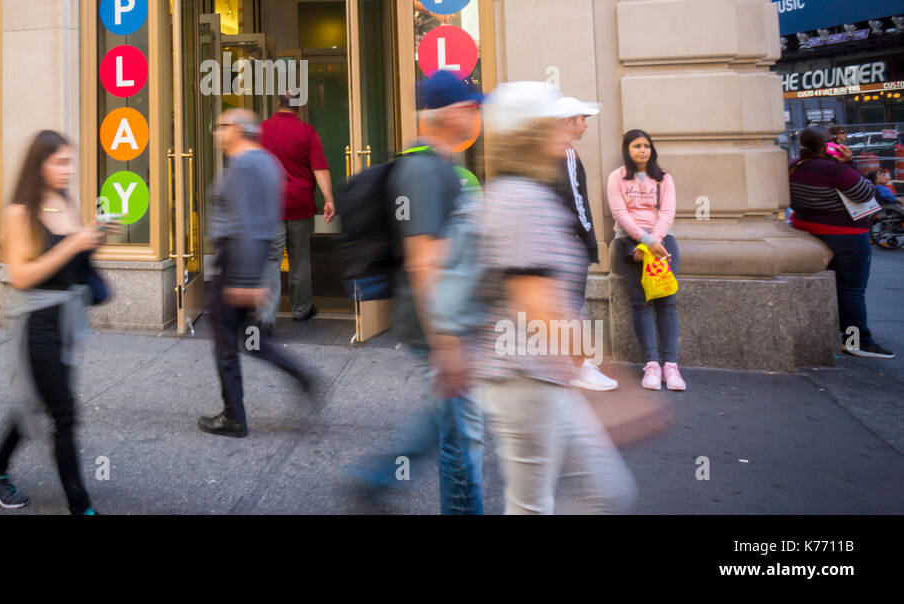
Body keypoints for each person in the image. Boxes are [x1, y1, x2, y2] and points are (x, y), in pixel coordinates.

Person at [473, 81, 636, 514]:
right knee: (536, 504)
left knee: (597, 492)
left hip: (542, 374)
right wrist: (613, 380)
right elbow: (538, 304)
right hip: (524, 376)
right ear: (530, 134)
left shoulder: (525, 192)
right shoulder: (519, 198)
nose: (567, 130)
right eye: (554, 124)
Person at [345, 70, 486, 514]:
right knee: (458, 437)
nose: (475, 114)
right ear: (448, 114)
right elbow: (423, 262)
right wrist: (447, 344)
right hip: (434, 325)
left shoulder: (442, 165)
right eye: (469, 107)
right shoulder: (423, 170)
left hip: (446, 323)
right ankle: (377, 476)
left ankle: (376, 475)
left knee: (450, 424)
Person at [0, 130, 104, 514]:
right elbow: (20, 276)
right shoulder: (20, 212)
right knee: (63, 411)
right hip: (37, 323)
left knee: (36, 399)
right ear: (39, 164)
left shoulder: (64, 202)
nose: (67, 169)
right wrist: (71, 245)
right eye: (59, 162)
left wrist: (92, 239)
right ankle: (81, 507)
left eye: (69, 161)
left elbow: (73, 265)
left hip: (65, 317)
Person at [199, 108, 314, 438]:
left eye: (220, 126)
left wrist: (243, 281)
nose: (216, 132)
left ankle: (233, 416)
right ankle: (299, 373)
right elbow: (264, 222)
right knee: (252, 338)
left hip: (235, 263)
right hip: (249, 261)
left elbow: (248, 223)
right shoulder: (266, 162)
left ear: (236, 129)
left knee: (224, 341)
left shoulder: (244, 165)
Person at [788, 125, 894, 358]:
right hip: (846, 235)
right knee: (852, 292)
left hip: (806, 229)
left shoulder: (794, 166)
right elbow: (866, 193)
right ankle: (857, 341)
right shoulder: (834, 169)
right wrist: (849, 163)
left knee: (834, 290)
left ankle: (830, 335)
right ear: (828, 145)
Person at [606, 129, 684, 391]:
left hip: (662, 243)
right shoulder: (617, 178)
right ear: (627, 150)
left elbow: (667, 212)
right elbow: (620, 213)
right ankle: (651, 364)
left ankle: (671, 366)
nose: (642, 150)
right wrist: (644, 241)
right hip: (628, 243)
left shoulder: (664, 179)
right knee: (641, 303)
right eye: (637, 146)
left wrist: (654, 243)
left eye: (646, 146)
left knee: (666, 302)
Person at [555, 97, 618, 392]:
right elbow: (576, 199)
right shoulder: (566, 152)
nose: (585, 124)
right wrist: (587, 237)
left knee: (564, 306)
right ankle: (579, 366)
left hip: (556, 241)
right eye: (582, 118)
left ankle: (570, 364)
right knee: (572, 306)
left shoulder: (549, 149)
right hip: (569, 242)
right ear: (568, 121)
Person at [259, 92, 334, 323]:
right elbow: (320, 169)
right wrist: (329, 198)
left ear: (278, 104)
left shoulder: (261, 130)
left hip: (270, 205)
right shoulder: (306, 132)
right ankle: (301, 310)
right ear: (298, 108)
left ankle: (266, 316)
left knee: (271, 260)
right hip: (300, 204)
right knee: (299, 260)